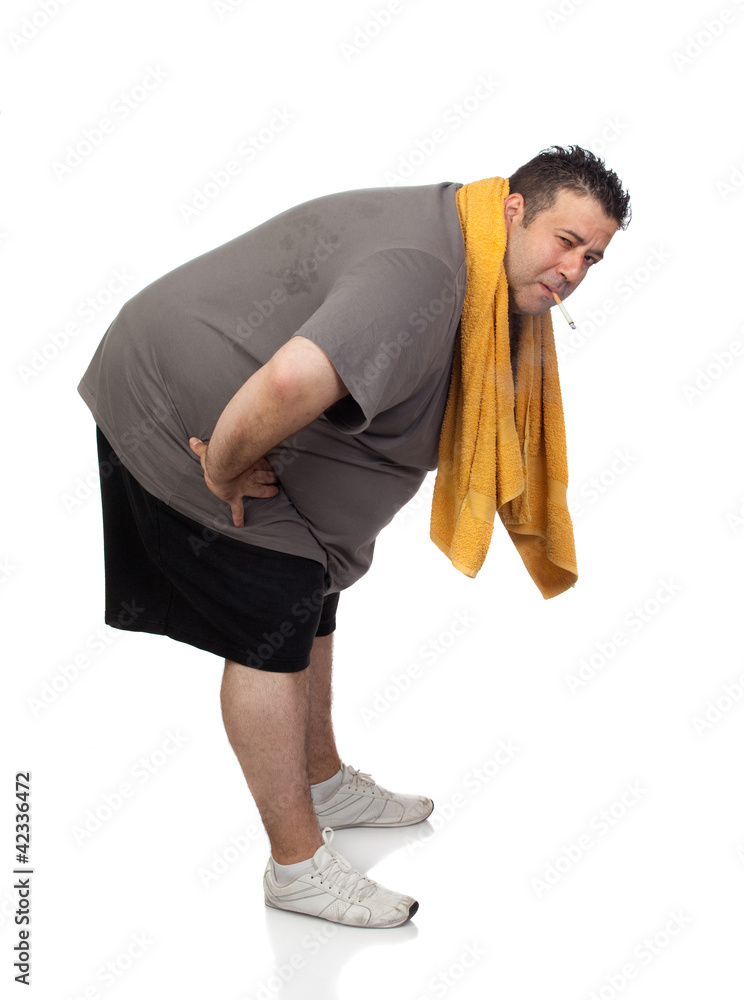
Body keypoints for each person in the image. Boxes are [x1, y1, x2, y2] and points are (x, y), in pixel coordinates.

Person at [77, 145, 630, 928]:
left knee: (314, 587)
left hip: (234, 399)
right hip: (177, 409)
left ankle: (321, 776)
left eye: (593, 257)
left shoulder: (473, 251)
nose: (574, 269)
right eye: (565, 241)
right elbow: (287, 383)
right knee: (273, 609)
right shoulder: (425, 273)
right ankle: (296, 868)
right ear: (513, 208)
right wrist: (227, 470)